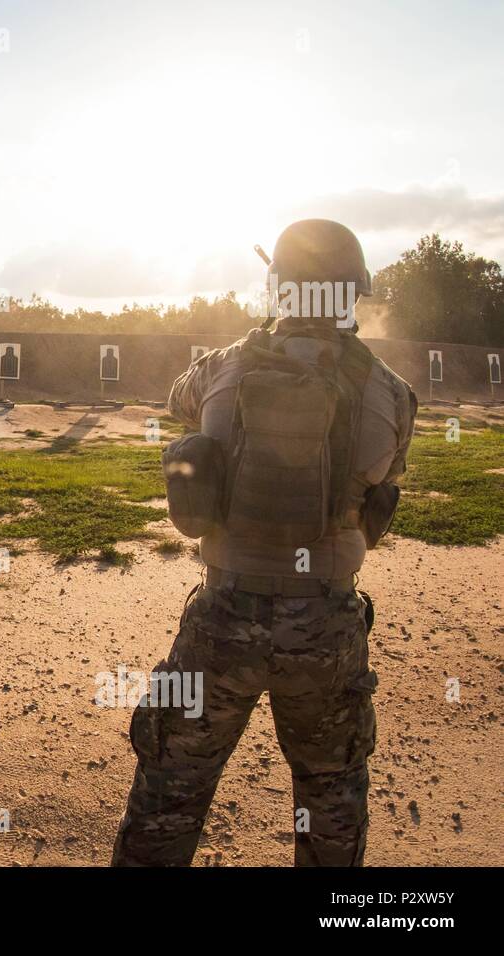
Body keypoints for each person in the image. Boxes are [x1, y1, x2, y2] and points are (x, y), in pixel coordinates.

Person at [112, 219, 418, 866]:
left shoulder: (224, 367)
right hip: (327, 626)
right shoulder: (391, 393)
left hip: (223, 617)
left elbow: (179, 403)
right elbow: (385, 483)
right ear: (349, 294)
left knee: (169, 791)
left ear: (280, 288)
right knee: (331, 798)